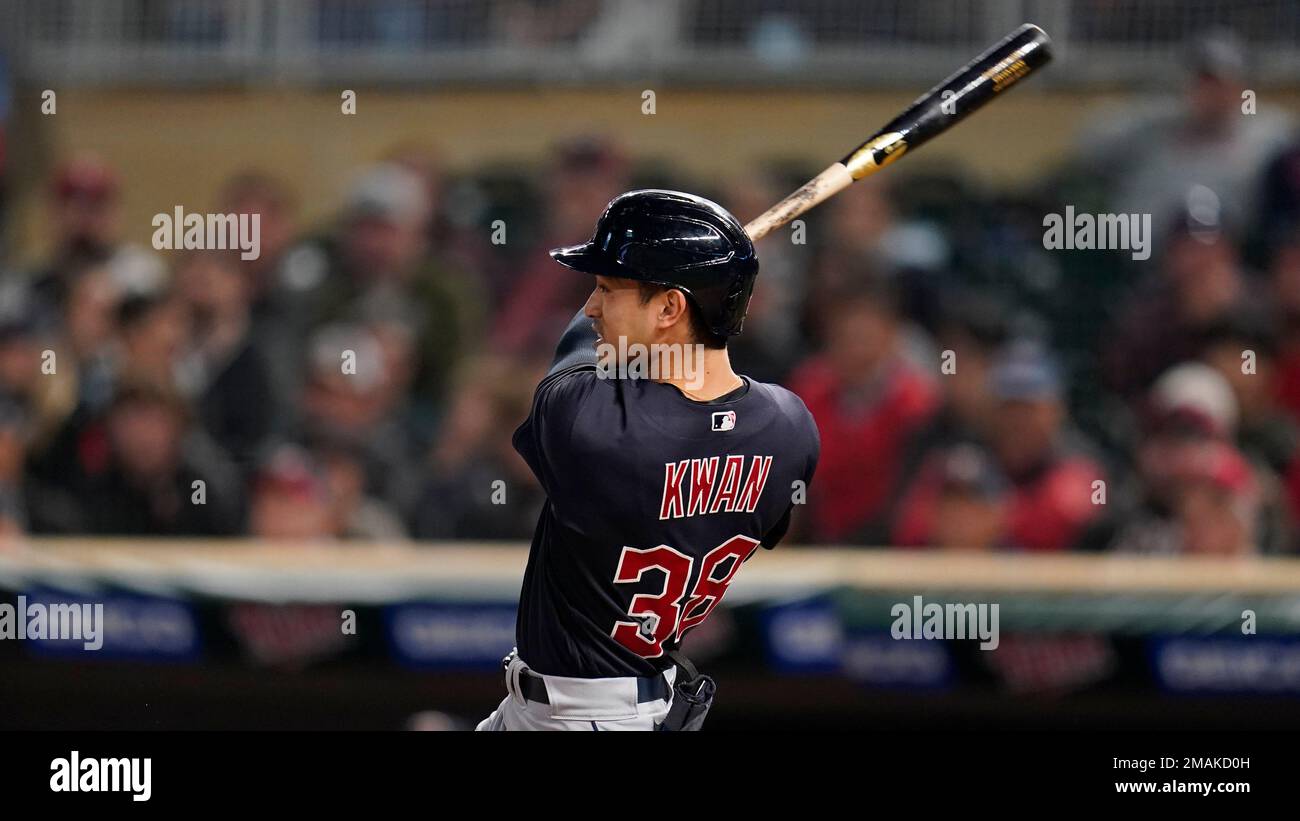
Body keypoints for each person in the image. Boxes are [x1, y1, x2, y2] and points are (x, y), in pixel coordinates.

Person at [477, 190, 819, 731]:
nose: (591, 305)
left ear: (669, 308)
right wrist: (698, 286)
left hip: (580, 715)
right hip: (631, 697)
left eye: (607, 289)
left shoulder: (589, 424)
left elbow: (581, 350)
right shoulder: (790, 426)